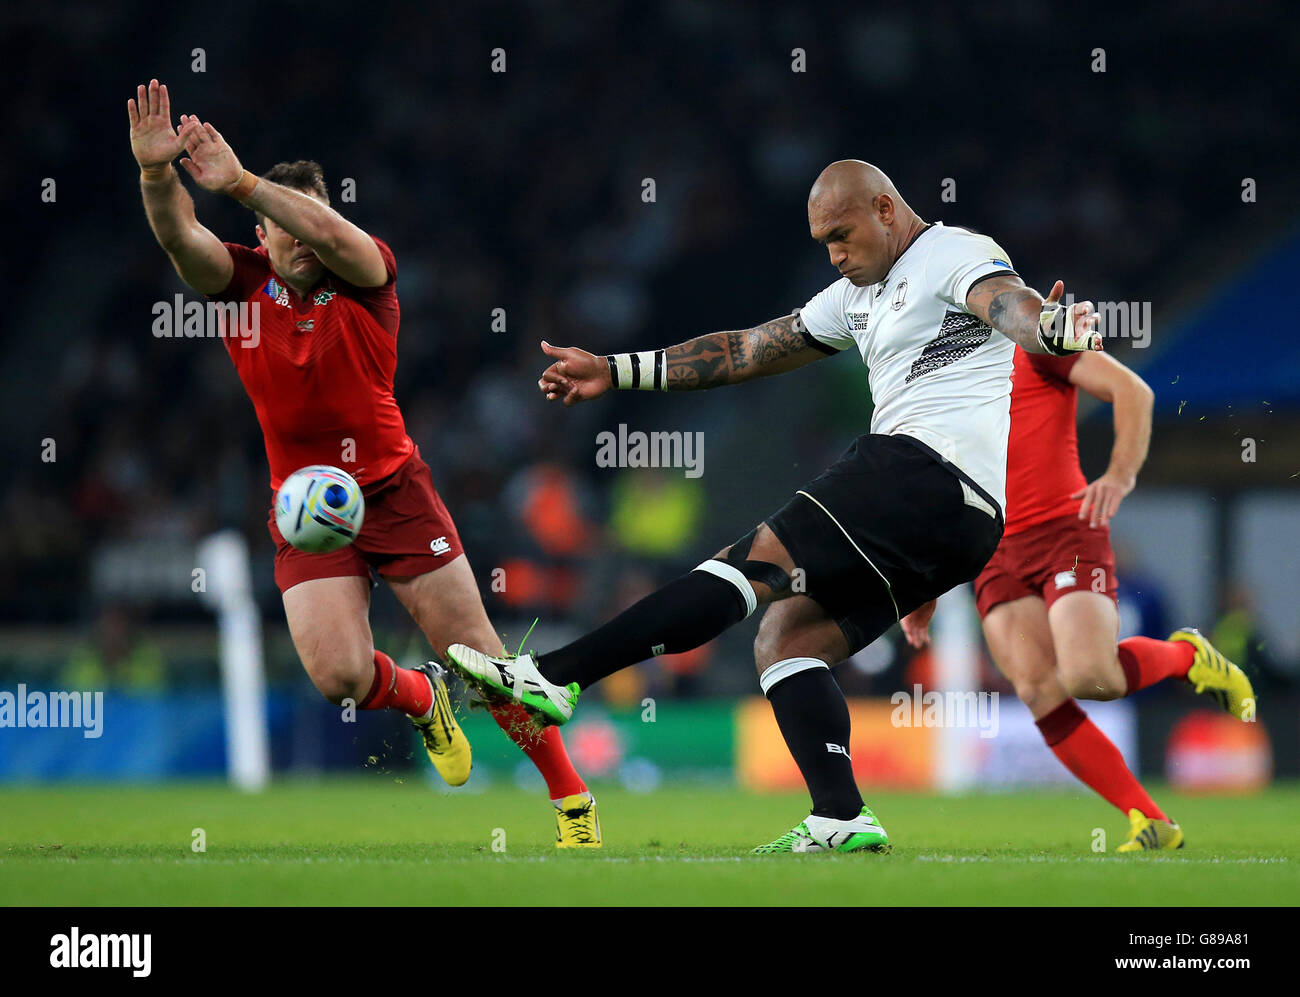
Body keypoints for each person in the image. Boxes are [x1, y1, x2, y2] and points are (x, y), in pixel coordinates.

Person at [443, 159, 1101, 853]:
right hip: (961, 520)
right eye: (823, 242)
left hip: (924, 471)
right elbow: (748, 350)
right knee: (786, 639)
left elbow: (1010, 305)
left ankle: (554, 677)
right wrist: (616, 369)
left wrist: (1053, 328)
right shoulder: (855, 297)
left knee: (756, 563)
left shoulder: (953, 253)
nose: (835, 255)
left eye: (843, 235)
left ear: (885, 209)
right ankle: (841, 815)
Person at [128, 79, 599, 847]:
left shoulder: (366, 277)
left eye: (309, 217)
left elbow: (335, 236)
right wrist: (157, 176)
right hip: (305, 512)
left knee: (483, 662)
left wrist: (250, 183)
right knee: (339, 677)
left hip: (393, 493)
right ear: (261, 232)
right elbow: (182, 240)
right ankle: (420, 698)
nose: (303, 237)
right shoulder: (240, 284)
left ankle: (572, 801)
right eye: (282, 222)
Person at [900, 348, 1256, 852]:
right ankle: (1151, 821)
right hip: (993, 550)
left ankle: (1188, 656)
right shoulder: (936, 372)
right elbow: (940, 485)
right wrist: (927, 584)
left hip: (1064, 533)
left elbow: (1133, 391)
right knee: (1038, 689)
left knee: (1091, 676)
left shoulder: (1035, 340)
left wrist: (1120, 474)